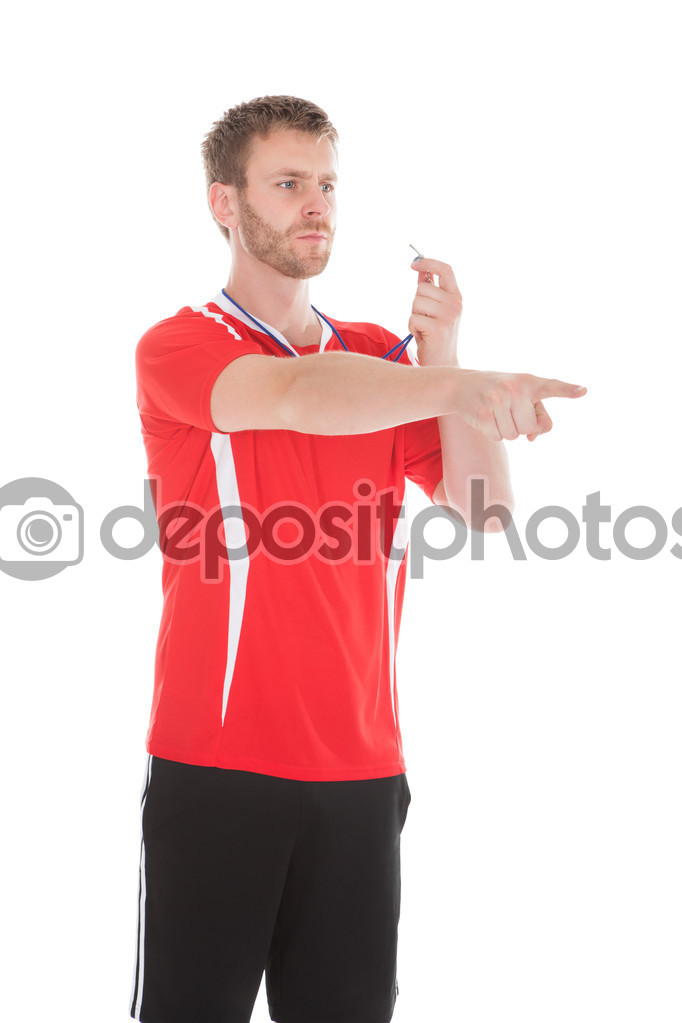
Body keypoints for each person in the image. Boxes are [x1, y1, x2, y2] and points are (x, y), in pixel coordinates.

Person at [130, 95, 586, 1023]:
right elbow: (295, 393)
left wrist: (445, 352)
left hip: (364, 772)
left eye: (328, 185)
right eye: (288, 183)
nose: (317, 205)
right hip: (218, 767)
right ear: (224, 203)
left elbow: (486, 506)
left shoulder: (384, 359)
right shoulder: (181, 345)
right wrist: (455, 382)